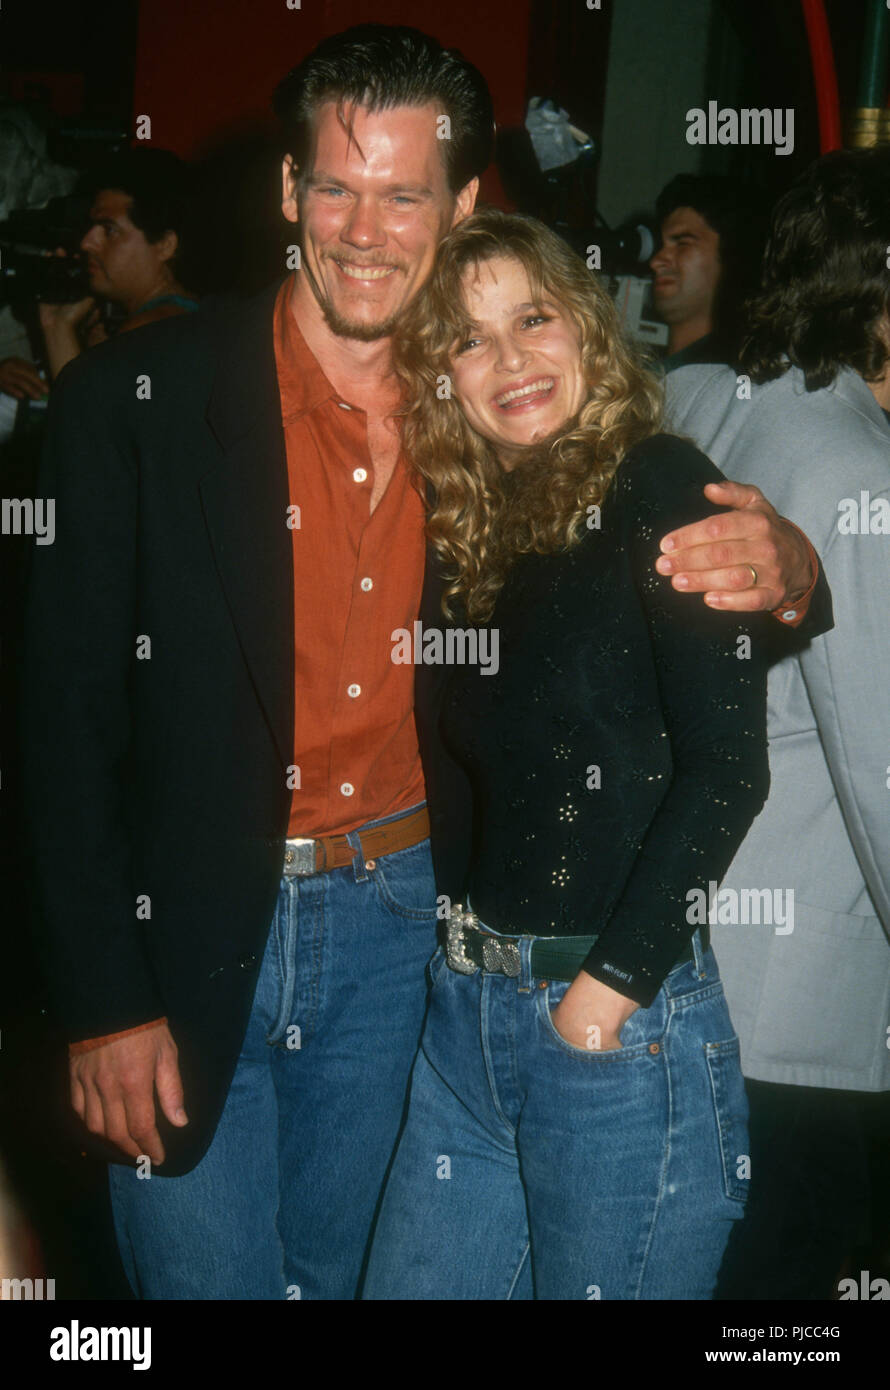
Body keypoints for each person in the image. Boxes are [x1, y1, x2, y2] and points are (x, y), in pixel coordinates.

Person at [20, 24, 827, 1302]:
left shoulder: (495, 410)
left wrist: (787, 565)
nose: (362, 227)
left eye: (404, 193)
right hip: (182, 931)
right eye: (333, 185)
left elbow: (640, 566)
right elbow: (55, 724)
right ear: (287, 192)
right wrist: (99, 999)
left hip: (415, 930)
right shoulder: (136, 397)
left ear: (459, 206)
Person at [362, 208, 772, 1300]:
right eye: (467, 336)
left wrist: (602, 995)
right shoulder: (468, 530)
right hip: (466, 1019)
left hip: (614, 1030)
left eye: (531, 317)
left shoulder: (661, 482)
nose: (508, 359)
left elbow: (727, 767)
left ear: (586, 326)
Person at [664, 147, 890, 1300]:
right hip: (803, 1008)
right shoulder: (858, 464)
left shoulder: (714, 392)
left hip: (701, 964)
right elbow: (881, 768)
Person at [37, 149, 198, 382]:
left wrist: (57, 327)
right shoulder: (179, 315)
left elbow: (84, 418)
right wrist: (56, 322)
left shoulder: (146, 330)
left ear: (165, 245)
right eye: (92, 227)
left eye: (110, 230)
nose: (87, 243)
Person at [650, 174, 769, 372]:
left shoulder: (736, 379)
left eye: (682, 243)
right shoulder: (642, 375)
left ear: (730, 256)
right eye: (661, 245)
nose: (656, 262)